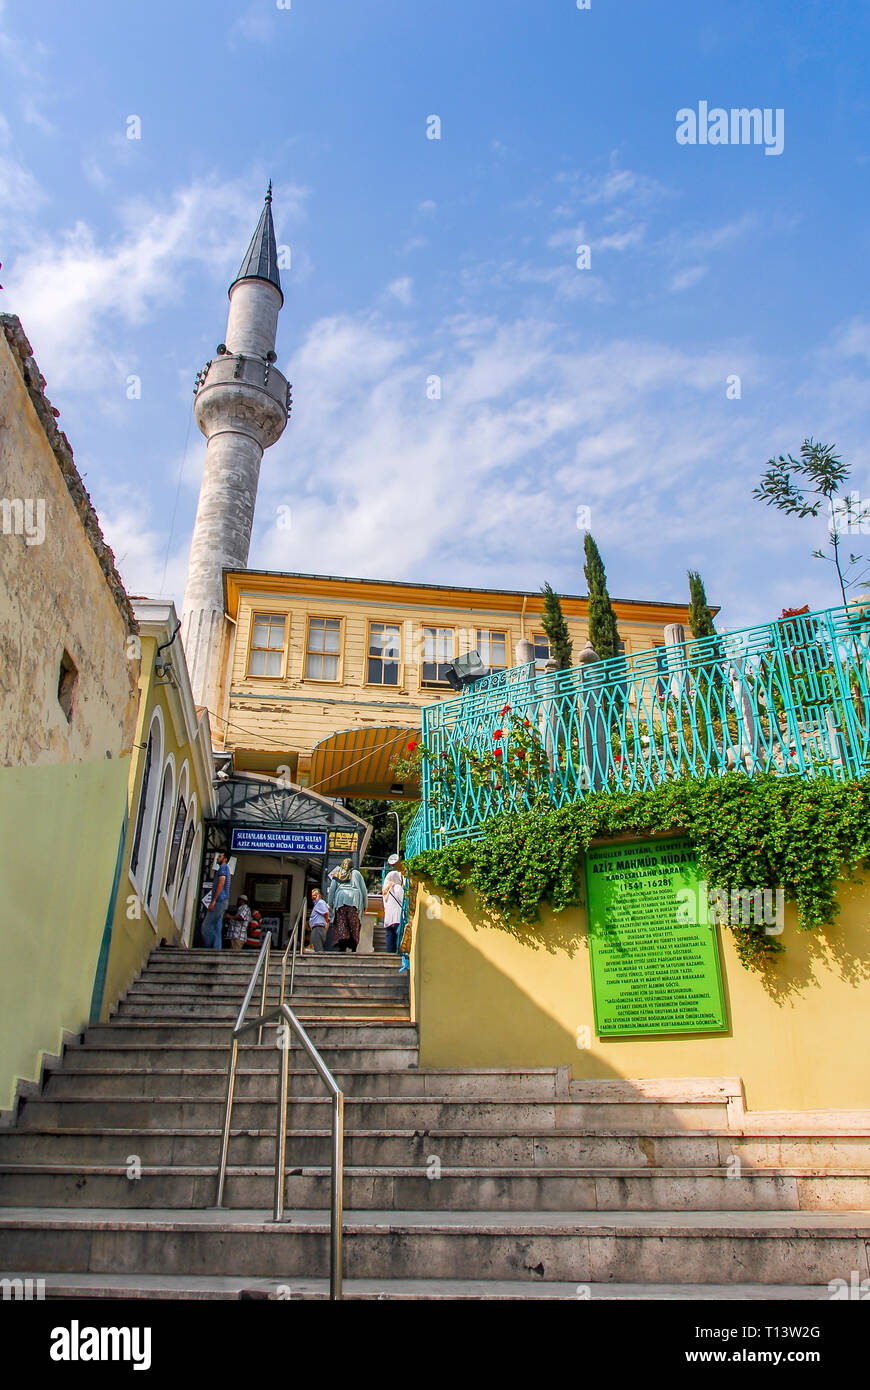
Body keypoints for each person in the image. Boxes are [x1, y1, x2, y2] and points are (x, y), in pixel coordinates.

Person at [326, 857, 367, 951]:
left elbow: (332, 890)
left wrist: (330, 904)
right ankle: (353, 946)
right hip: (355, 901)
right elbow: (364, 890)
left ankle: (342, 945)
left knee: (341, 923)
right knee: (354, 923)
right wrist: (365, 905)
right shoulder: (357, 873)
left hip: (340, 901)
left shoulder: (338, 873)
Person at [202, 851, 231, 950]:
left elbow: (221, 882)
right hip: (223, 901)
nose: (217, 858)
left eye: (220, 856)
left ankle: (208, 947)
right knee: (217, 927)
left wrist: (213, 900)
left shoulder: (223, 868)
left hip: (219, 900)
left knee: (206, 926)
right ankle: (216, 948)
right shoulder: (225, 869)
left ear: (225, 859)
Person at [382, 853, 406, 954]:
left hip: (388, 918)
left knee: (389, 937)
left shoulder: (385, 891)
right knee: (398, 936)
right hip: (397, 917)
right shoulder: (397, 888)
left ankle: (389, 954)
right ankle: (397, 954)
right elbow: (403, 900)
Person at [309, 887, 330, 952]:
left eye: (315, 895)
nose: (313, 897)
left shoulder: (320, 902)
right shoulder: (318, 904)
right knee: (315, 948)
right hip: (318, 928)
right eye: (312, 895)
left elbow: (326, 914)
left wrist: (325, 927)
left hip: (318, 928)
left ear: (320, 896)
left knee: (317, 949)